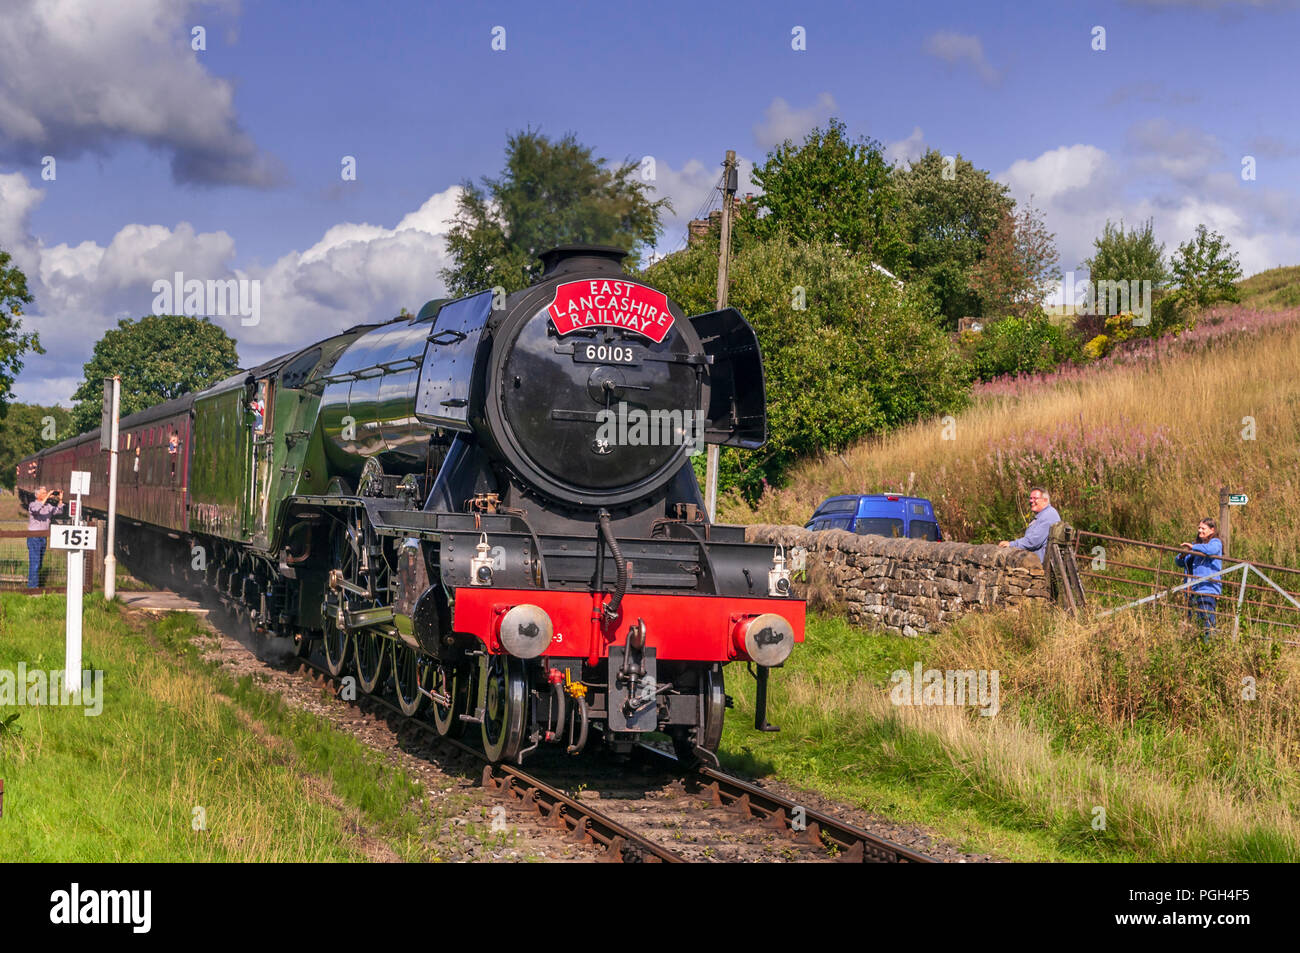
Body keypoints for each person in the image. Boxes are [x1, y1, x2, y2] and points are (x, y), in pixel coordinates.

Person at [1176, 518, 1223, 641]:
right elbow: (1179, 562)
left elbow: (1210, 551)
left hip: (1208, 589)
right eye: (1199, 528)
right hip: (1194, 589)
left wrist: (1193, 547)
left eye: (1203, 528)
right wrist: (1183, 554)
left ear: (1212, 530)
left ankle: (1209, 648)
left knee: (1207, 622)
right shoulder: (1196, 546)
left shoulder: (1216, 542)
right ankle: (1197, 648)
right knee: (1194, 622)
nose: (1200, 530)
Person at [998, 487, 1061, 563]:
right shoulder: (1044, 514)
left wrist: (1011, 544)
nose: (1031, 501)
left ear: (1045, 500)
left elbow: (1033, 542)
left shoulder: (1048, 515)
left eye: (1035, 498)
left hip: (1039, 563)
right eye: (1030, 498)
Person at [26, 486, 64, 589]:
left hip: (43, 537)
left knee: (39, 563)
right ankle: (32, 588)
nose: (46, 494)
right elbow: (36, 510)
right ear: (37, 495)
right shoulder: (32, 504)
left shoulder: (48, 506)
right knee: (35, 563)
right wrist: (47, 496)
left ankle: (35, 584)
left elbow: (59, 511)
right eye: (43, 493)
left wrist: (60, 499)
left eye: (46, 492)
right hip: (34, 537)